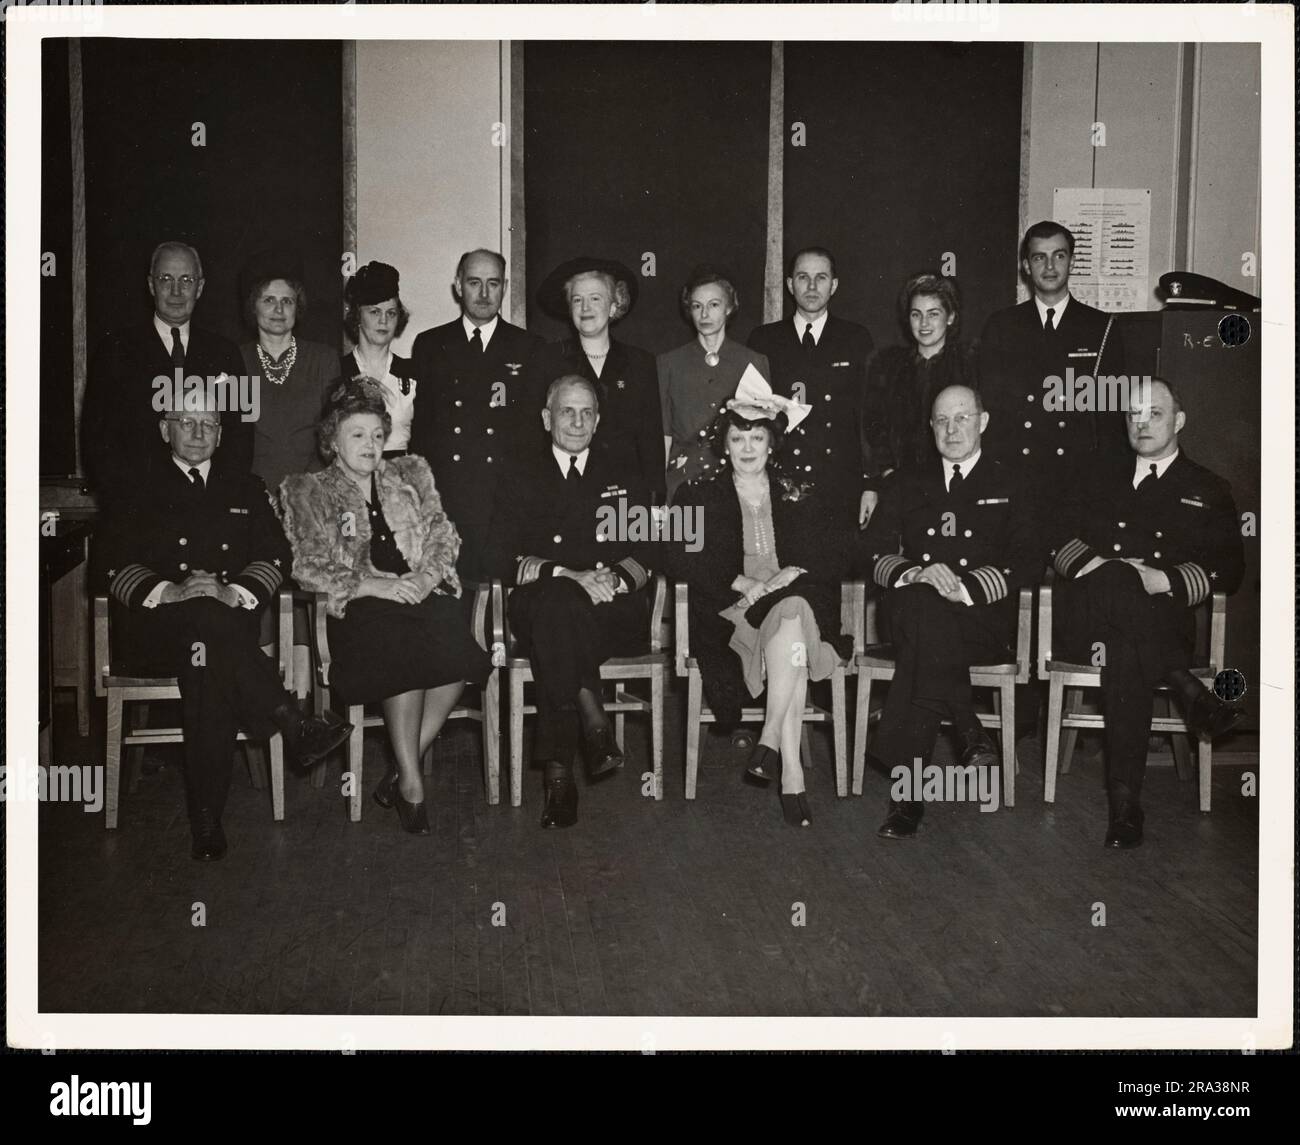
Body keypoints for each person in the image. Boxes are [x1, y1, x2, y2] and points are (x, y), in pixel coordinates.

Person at [93, 395, 352, 861]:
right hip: (156, 630)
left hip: (222, 632)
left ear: (220, 432)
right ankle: (289, 719)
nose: (197, 433)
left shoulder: (244, 487)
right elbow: (108, 565)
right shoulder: (135, 486)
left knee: (208, 648)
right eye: (185, 422)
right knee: (206, 632)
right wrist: (171, 591)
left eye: (208, 424)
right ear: (163, 429)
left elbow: (277, 556)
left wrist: (234, 592)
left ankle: (207, 820)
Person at [280, 379, 493, 835]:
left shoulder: (409, 475)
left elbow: (443, 534)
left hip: (418, 595)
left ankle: (399, 766)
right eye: (357, 435)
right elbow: (308, 566)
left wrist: (425, 577)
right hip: (360, 610)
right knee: (400, 645)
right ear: (332, 440)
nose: (370, 445)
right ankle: (412, 784)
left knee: (460, 650)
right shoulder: (307, 490)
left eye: (378, 435)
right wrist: (371, 584)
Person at [1048, 377, 1245, 849]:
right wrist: (1102, 567)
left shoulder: (1208, 488)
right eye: (1134, 414)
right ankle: (1186, 687)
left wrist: (1166, 579)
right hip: (1087, 625)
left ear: (1178, 421)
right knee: (1117, 581)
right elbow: (1052, 536)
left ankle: (1125, 805)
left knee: (1128, 647)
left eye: (1154, 413)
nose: (1141, 423)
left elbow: (1229, 571)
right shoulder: (1095, 475)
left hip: (1155, 627)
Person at [667, 379, 854, 826]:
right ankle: (786, 770)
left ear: (772, 444)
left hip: (791, 603)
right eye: (737, 438)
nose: (747, 447)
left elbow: (841, 549)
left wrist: (795, 571)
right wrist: (741, 582)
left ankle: (774, 748)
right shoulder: (699, 494)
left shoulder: (800, 491)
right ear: (724, 445)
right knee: (792, 623)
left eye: (757, 437)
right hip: (732, 613)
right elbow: (678, 555)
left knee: (792, 610)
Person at [862, 385, 1043, 840]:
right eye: (942, 420)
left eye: (962, 418)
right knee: (924, 605)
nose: (951, 428)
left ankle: (907, 796)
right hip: (911, 610)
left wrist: (964, 587)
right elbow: (870, 551)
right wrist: (918, 573)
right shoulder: (906, 481)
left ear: (983, 422)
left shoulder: (1011, 481)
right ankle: (968, 727)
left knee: (926, 646)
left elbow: (1028, 558)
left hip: (978, 618)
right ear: (930, 428)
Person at [483, 375, 655, 829]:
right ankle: (593, 725)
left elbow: (651, 549)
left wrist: (616, 579)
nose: (576, 422)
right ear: (546, 418)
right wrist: (566, 575)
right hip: (539, 603)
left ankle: (559, 776)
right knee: (560, 603)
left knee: (562, 622)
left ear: (598, 421)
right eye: (566, 411)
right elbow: (498, 554)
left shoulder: (624, 472)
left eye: (586, 413)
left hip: (609, 606)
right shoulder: (518, 471)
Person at [408, 249, 543, 580]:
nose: (484, 294)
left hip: (504, 500)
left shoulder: (530, 347)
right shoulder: (430, 344)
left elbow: (535, 437)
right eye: (474, 282)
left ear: (505, 286)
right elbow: (422, 432)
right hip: (448, 497)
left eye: (493, 283)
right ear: (458, 286)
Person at [83, 241, 251, 504]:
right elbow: (96, 438)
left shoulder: (226, 352)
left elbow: (241, 436)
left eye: (186, 280)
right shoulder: (114, 350)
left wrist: (217, 497)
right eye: (165, 279)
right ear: (151, 285)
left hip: (207, 504)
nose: (176, 291)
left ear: (200, 287)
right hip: (138, 506)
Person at [978, 220, 1128, 479]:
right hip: (1016, 474)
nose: (1049, 267)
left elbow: (1111, 416)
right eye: (1039, 258)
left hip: (1077, 475)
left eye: (1058, 256)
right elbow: (992, 411)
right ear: (1026, 266)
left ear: (1071, 262)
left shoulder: (1101, 326)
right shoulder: (1001, 326)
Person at [747, 246, 876, 531]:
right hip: (781, 478)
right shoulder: (764, 340)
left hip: (839, 481)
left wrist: (870, 483)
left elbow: (867, 417)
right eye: (803, 277)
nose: (813, 286)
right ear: (790, 285)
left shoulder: (855, 338)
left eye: (822, 278)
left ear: (834, 285)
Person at [532, 257, 665, 505]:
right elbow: (535, 435)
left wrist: (656, 501)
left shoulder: (640, 363)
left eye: (595, 298)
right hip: (564, 491)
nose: (585, 308)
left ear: (614, 306)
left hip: (624, 496)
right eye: (577, 299)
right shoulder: (547, 360)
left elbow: (651, 441)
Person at [862, 272, 979, 511]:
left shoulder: (971, 365)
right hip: (901, 491)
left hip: (957, 488)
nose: (924, 324)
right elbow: (873, 428)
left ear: (951, 317)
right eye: (916, 315)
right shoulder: (887, 366)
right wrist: (878, 481)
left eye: (933, 314)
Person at [658, 265, 771, 500]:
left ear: (729, 308)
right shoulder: (668, 363)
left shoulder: (753, 361)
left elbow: (762, 433)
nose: (704, 314)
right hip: (682, 481)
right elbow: (664, 436)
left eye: (714, 305)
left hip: (735, 481)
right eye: (697, 306)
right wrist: (660, 498)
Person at [237, 249, 339, 493]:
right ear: (254, 307)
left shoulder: (324, 360)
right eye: (269, 300)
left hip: (313, 494)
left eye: (287, 301)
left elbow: (335, 437)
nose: (279, 310)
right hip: (252, 495)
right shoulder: (235, 360)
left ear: (298, 308)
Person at [341, 261, 419, 458]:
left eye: (391, 313)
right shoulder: (337, 371)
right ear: (358, 316)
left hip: (399, 478)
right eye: (375, 311)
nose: (384, 320)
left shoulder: (413, 372)